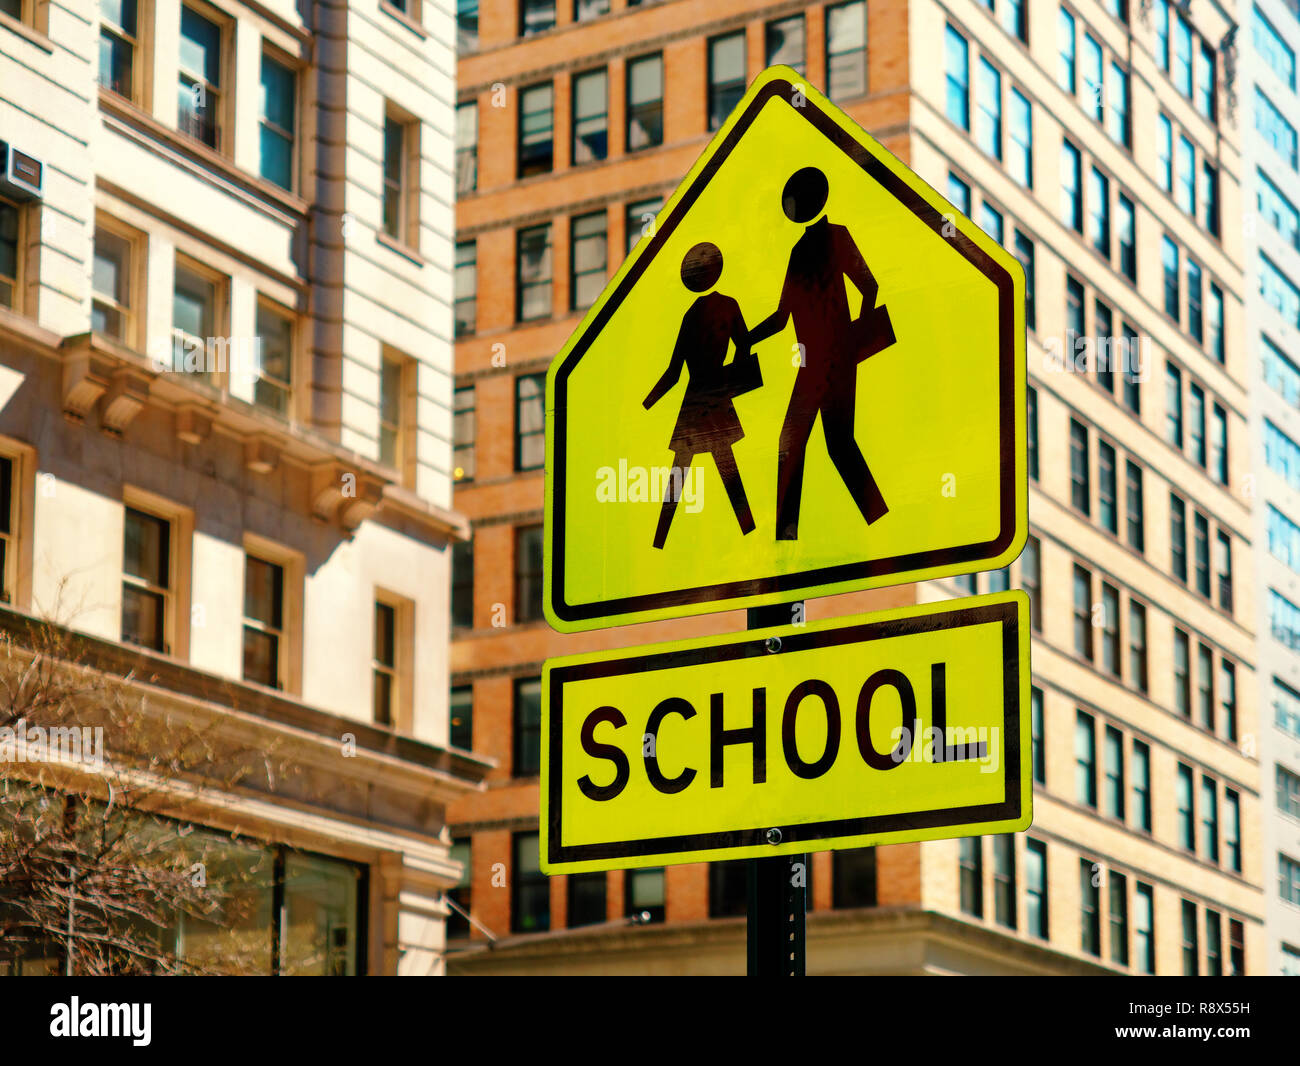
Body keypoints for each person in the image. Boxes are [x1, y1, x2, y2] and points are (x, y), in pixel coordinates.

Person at [749, 166, 892, 540]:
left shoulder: (836, 237)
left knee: (830, 444)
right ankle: (788, 537)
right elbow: (782, 317)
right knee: (805, 443)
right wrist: (748, 338)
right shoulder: (798, 251)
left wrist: (853, 340)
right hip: (812, 363)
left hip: (835, 359)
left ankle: (877, 522)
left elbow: (869, 286)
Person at [643, 242, 757, 549]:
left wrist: (647, 403)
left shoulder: (691, 315)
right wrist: (644, 405)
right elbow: (744, 346)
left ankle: (660, 540)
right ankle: (749, 531)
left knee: (684, 472)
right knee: (724, 466)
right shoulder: (726, 306)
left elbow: (673, 373)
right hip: (714, 395)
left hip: (696, 400)